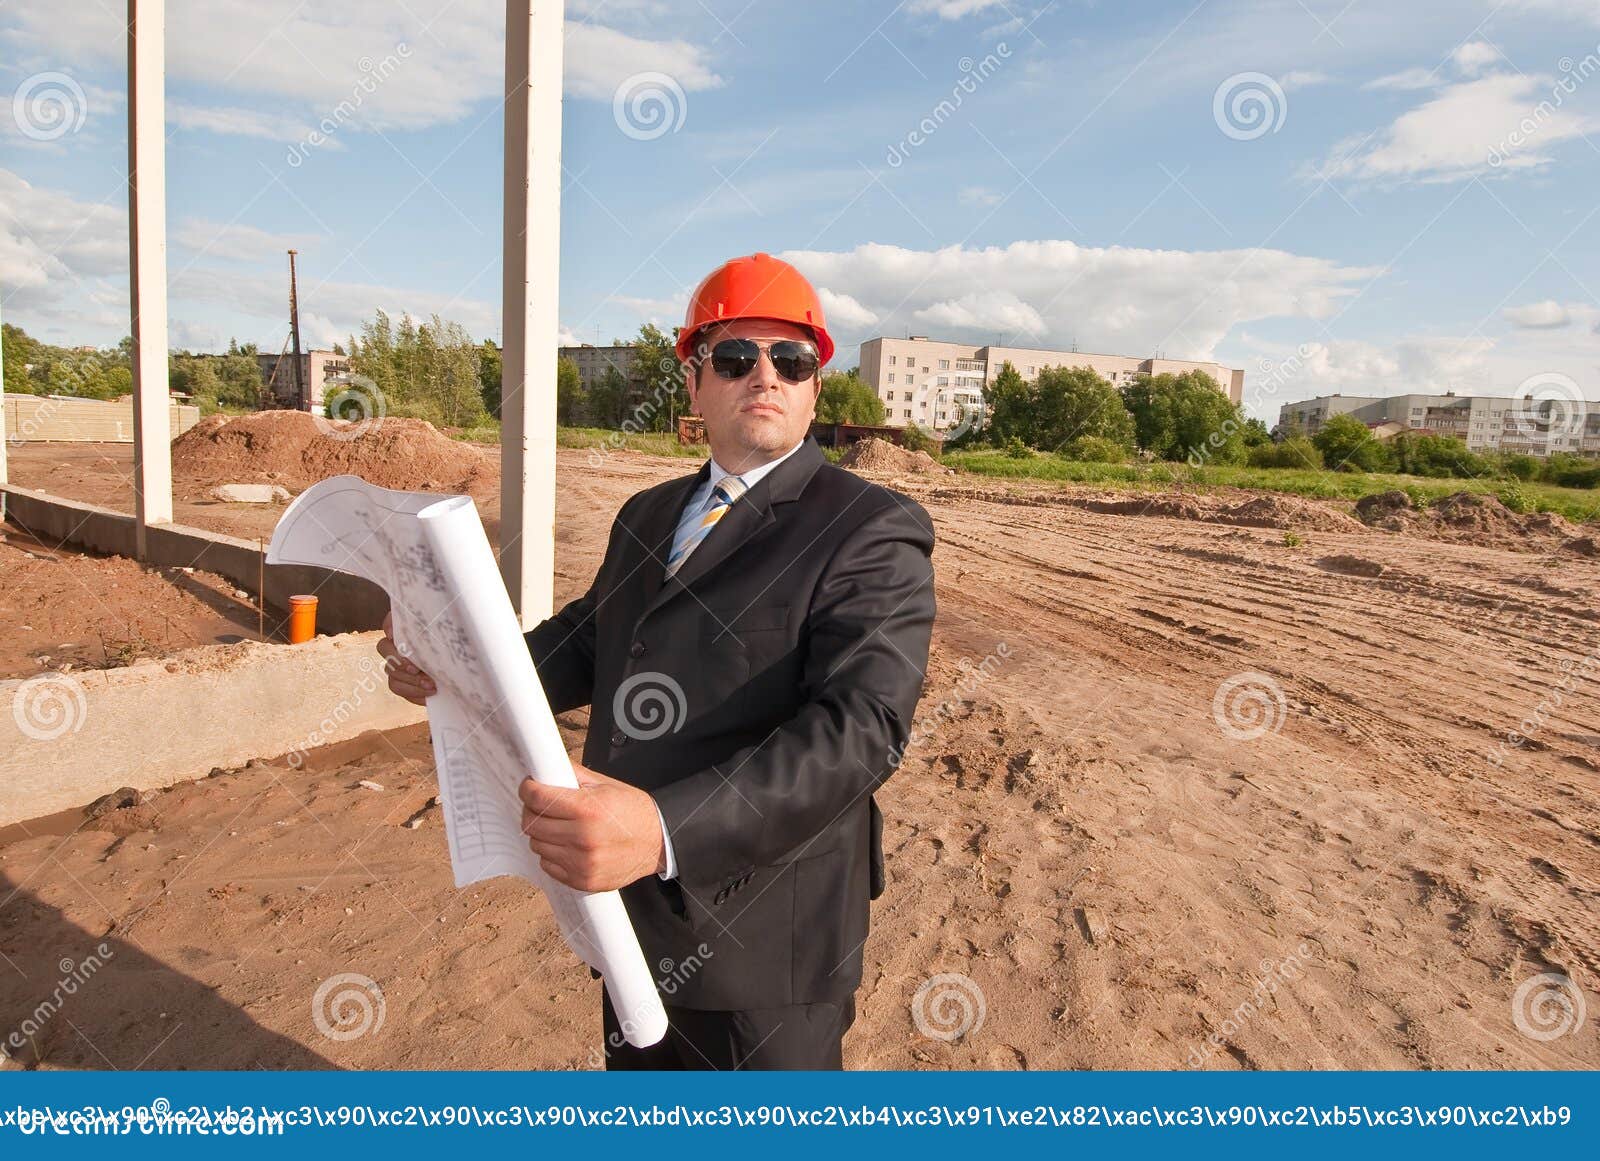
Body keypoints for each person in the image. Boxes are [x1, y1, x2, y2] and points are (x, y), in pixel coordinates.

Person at [379, 252, 935, 1069]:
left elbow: (861, 729)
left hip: (765, 937)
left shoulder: (867, 527)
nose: (767, 377)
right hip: (630, 913)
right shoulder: (648, 514)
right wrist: (454, 664)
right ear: (693, 382)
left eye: (792, 360)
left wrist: (667, 828)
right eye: (738, 357)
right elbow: (589, 638)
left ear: (817, 385)